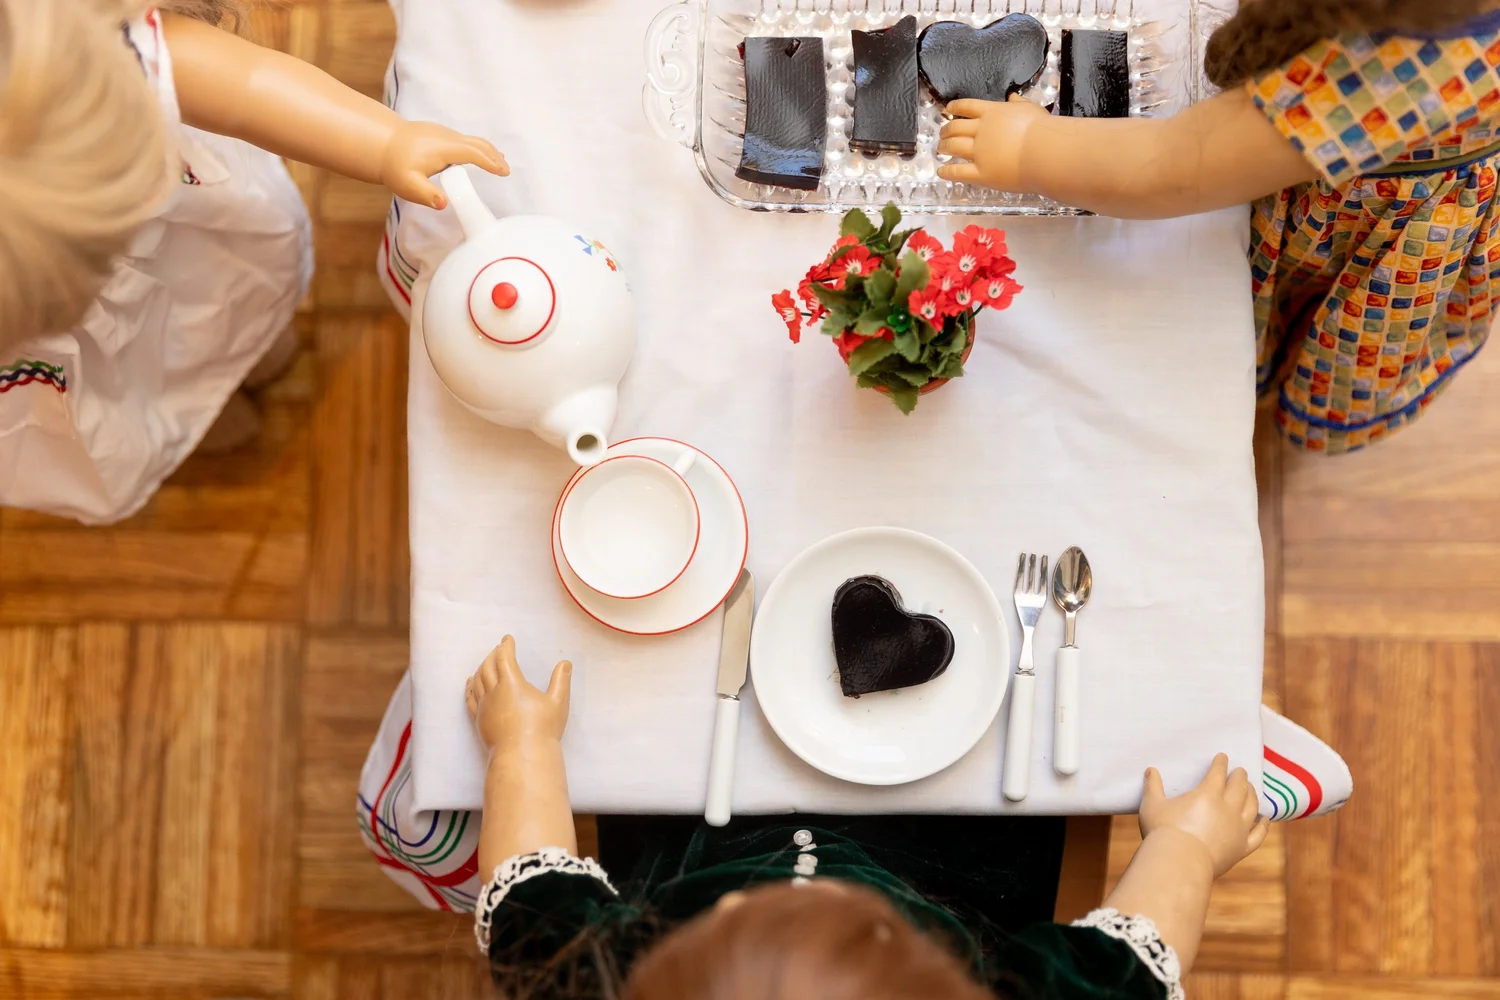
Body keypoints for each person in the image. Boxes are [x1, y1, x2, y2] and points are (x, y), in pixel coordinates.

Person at [366, 636, 1269, 1000]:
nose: (740, 908)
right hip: (964, 855)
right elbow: (1129, 963)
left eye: (726, 928)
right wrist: (1187, 845)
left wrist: (523, 743)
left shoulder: (585, 977)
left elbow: (535, 890)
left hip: (694, 827)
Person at [0, 0, 506, 523]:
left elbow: (249, 85)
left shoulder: (81, 52)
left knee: (228, 303)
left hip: (188, 248)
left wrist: (387, 143)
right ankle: (178, 426)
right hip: (71, 375)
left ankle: (236, 356)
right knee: (119, 406)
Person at [935, 1, 1500, 455]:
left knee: (1284, 319)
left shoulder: (1393, 66)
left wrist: (1033, 148)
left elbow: (1177, 167)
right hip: (1341, 152)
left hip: (1366, 223)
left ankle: (1279, 396)